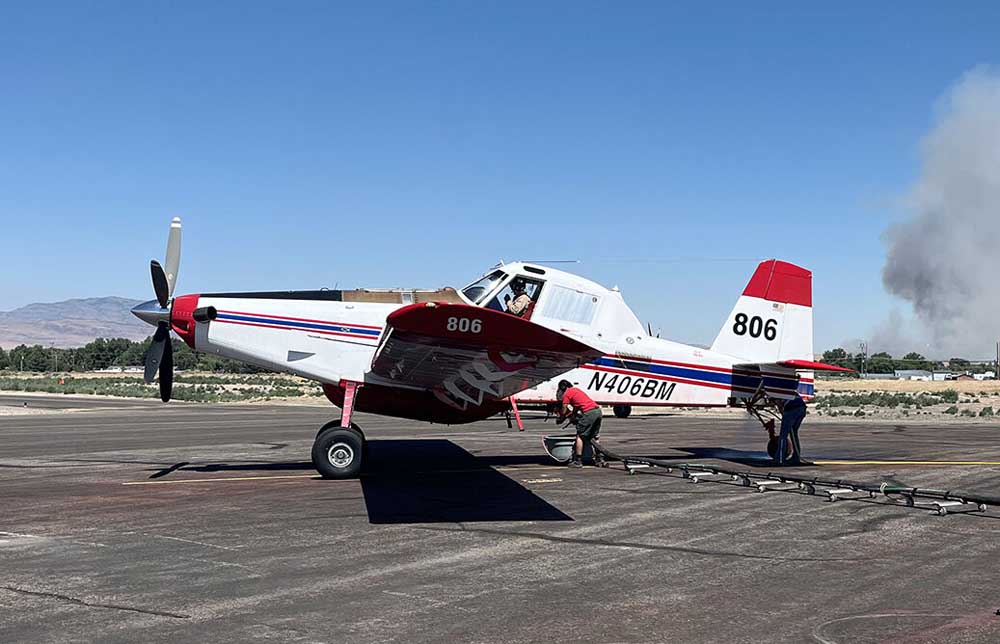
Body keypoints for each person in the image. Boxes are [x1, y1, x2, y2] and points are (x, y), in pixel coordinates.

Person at [556, 379, 606, 468]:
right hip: (597, 411)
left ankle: (578, 461)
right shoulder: (576, 390)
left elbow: (564, 407)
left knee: (580, 436)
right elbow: (577, 405)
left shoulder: (566, 393)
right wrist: (574, 414)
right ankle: (600, 458)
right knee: (595, 436)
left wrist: (561, 417)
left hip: (589, 413)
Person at [775, 393, 807, 465]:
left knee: (783, 435)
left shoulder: (774, 391)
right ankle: (796, 457)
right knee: (794, 433)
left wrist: (782, 411)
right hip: (802, 409)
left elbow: (779, 404)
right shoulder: (788, 389)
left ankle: (779, 459)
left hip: (792, 410)